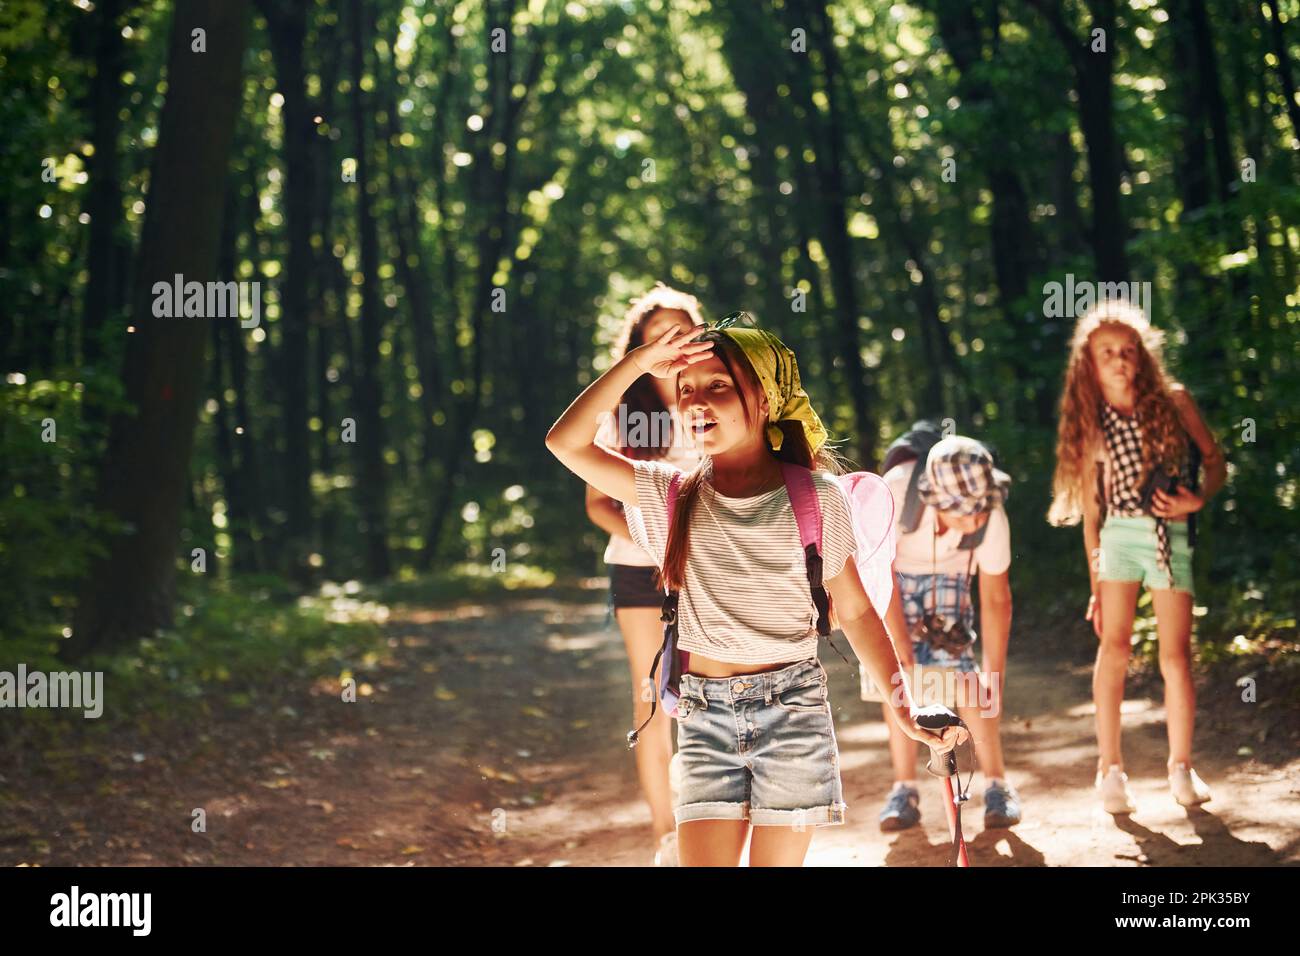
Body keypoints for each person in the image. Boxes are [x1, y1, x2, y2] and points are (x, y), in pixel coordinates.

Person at [546, 316, 966, 866]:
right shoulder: (669, 495)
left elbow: (860, 611)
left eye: (719, 385)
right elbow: (564, 442)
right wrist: (637, 365)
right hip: (703, 716)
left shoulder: (816, 498)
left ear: (765, 400)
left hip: (793, 712)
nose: (698, 400)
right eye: (687, 389)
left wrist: (904, 706)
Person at [1048, 299, 1226, 813]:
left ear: (1142, 354)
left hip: (1170, 534)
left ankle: (1181, 767)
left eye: (1128, 350)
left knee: (1175, 655)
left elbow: (1215, 463)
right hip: (1118, 539)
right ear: (1089, 361)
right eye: (1107, 352)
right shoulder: (1091, 421)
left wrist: (1198, 498)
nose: (1119, 360)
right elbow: (1093, 515)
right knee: (1115, 649)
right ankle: (1110, 770)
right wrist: (1095, 584)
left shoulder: (1174, 401)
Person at [586, 283, 705, 866]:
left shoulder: (716, 399)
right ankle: (666, 834)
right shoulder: (626, 414)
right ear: (638, 345)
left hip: (711, 572)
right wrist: (663, 550)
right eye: (659, 333)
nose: (673, 342)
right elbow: (599, 506)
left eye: (682, 329)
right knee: (651, 697)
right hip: (640, 573)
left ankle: (712, 820)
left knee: (711, 693)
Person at [864, 434, 1019, 832]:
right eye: (963, 512)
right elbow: (881, 579)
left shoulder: (992, 515)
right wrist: (904, 653)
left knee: (968, 681)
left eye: (979, 509)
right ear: (934, 500)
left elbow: (996, 598)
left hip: (951, 572)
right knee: (899, 681)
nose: (975, 520)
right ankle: (904, 789)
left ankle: (997, 784)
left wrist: (993, 675)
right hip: (894, 575)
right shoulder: (895, 493)